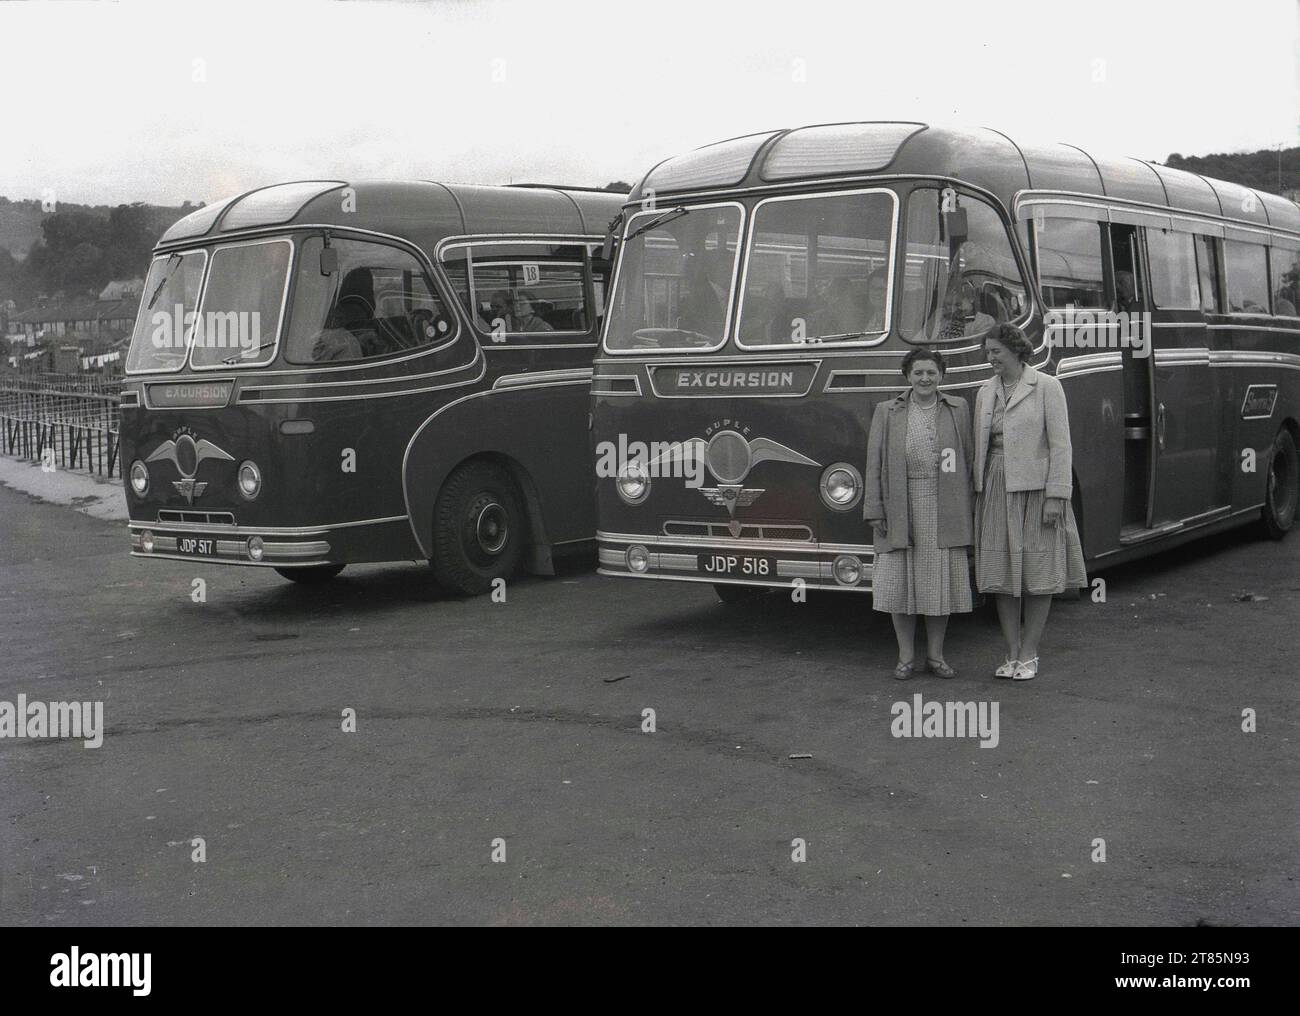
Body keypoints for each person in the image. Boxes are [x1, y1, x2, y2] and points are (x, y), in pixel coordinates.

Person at [973, 323, 1087, 681]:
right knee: (1002, 574)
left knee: (1038, 573)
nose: (990, 358)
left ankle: (1029, 652)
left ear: (1016, 351)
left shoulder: (1047, 387)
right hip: (994, 486)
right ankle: (1010, 653)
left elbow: (1060, 445)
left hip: (1036, 490)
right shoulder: (985, 391)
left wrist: (1057, 496)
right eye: (988, 352)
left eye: (995, 352)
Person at [865, 346, 974, 680]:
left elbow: (966, 461)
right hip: (900, 503)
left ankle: (936, 656)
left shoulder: (957, 408)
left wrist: (966, 507)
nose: (925, 378)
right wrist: (875, 508)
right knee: (900, 585)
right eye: (918, 373)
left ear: (941, 375)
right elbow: (875, 462)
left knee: (937, 585)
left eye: (931, 372)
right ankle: (905, 658)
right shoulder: (888, 410)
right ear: (907, 376)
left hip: (943, 507)